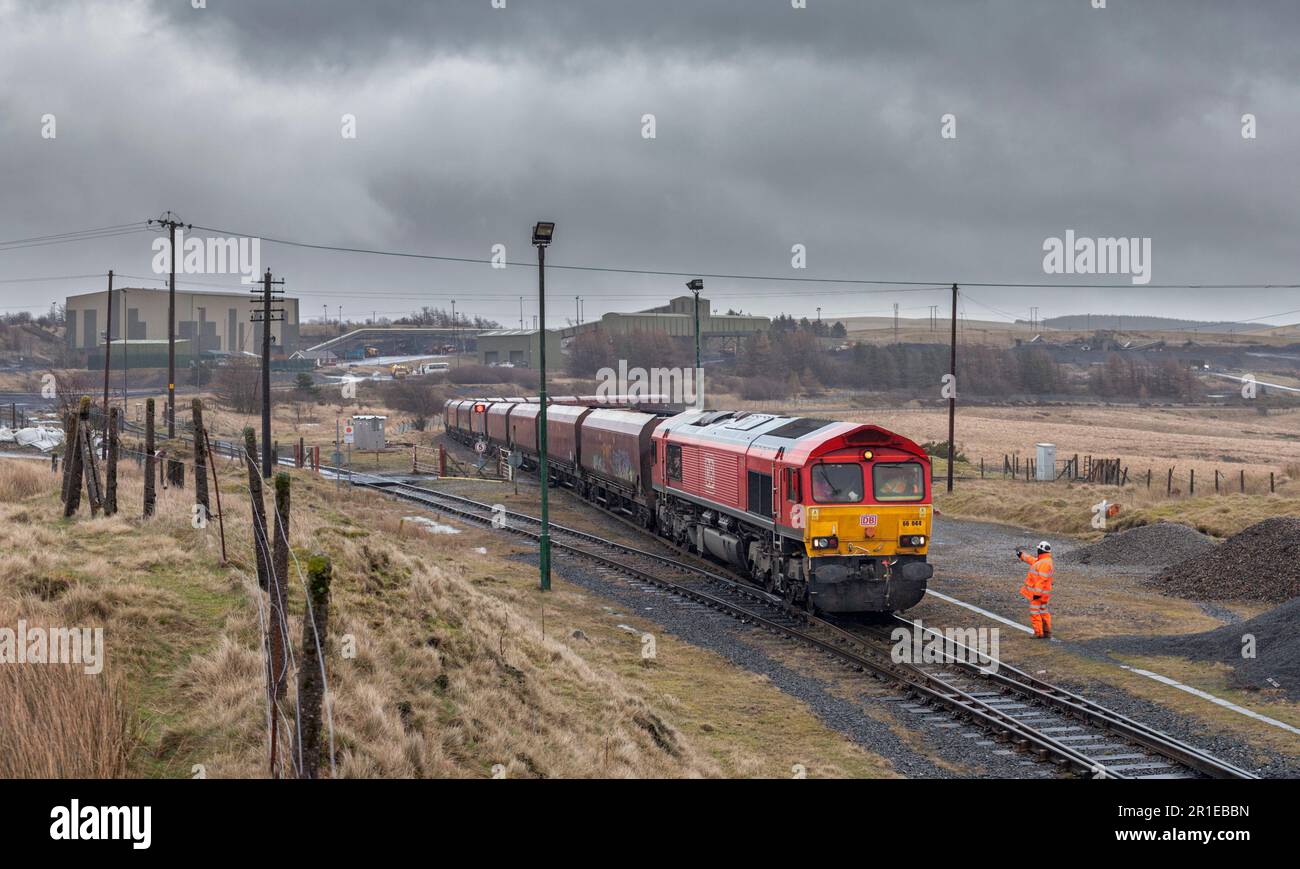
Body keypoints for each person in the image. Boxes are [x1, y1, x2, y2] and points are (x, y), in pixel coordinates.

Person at [1016, 541, 1054, 639]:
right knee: (1043, 611)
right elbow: (1032, 560)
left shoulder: (1044, 563)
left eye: (1038, 549)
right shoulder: (1043, 561)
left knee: (1035, 612)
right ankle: (1046, 632)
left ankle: (1038, 633)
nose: (1037, 550)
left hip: (1038, 594)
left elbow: (1042, 580)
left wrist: (1037, 593)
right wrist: (1021, 555)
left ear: (1040, 550)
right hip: (1043, 594)